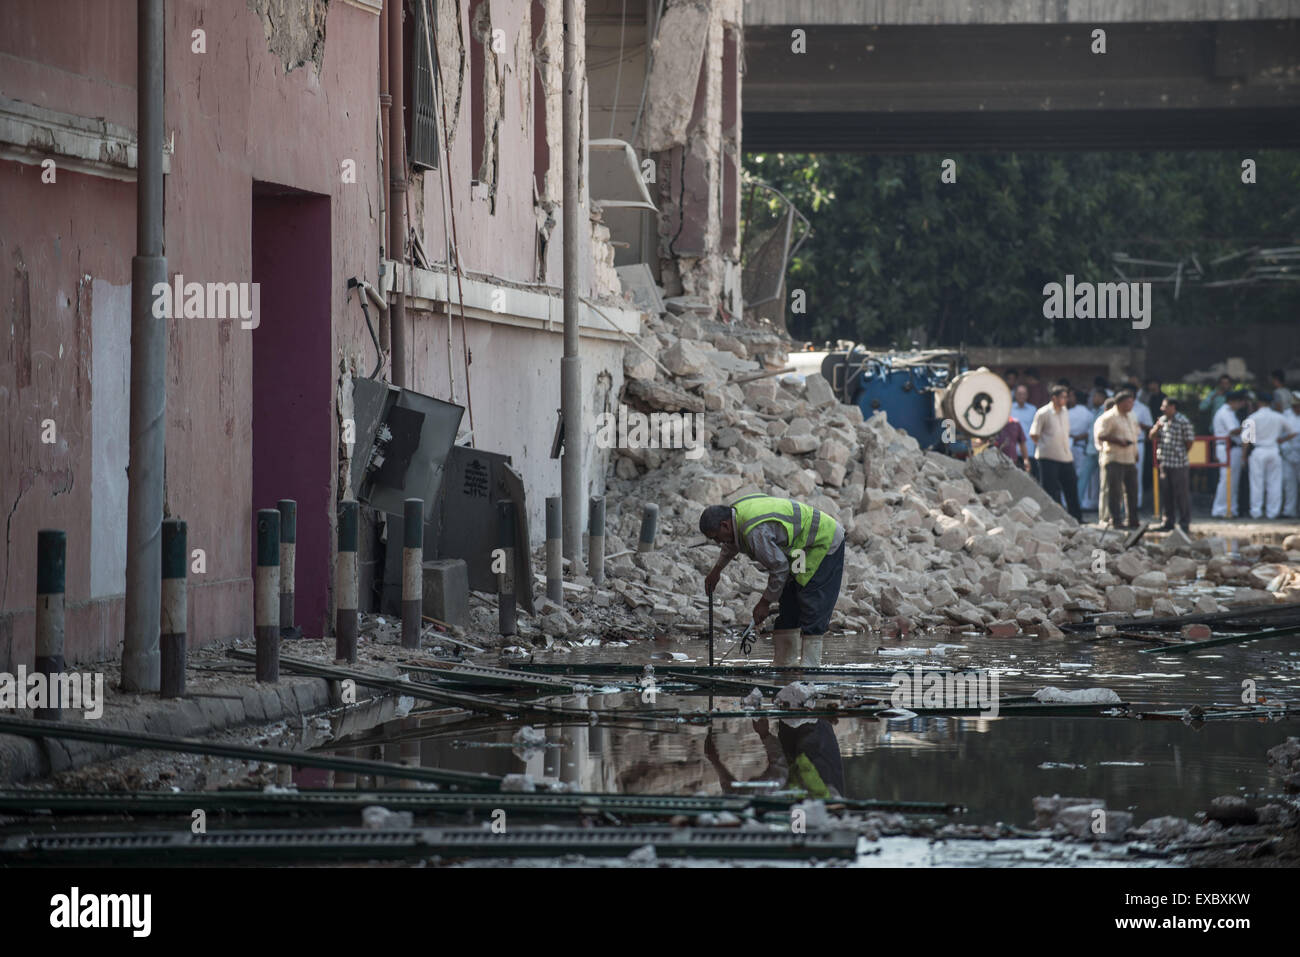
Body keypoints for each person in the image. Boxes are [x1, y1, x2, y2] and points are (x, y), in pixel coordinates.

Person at [700, 495, 845, 668]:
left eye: (716, 537)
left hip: (823, 541)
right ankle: (784, 665)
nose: (718, 542)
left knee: (812, 601)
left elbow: (779, 568)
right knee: (789, 600)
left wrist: (764, 603)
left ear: (725, 524)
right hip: (800, 547)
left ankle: (810, 668)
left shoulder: (754, 531)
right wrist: (716, 571)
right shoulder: (735, 515)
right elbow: (732, 543)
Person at [1030, 384, 1082, 521]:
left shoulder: (1065, 411)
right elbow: (1034, 434)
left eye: (1066, 397)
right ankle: (1050, 519)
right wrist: (1046, 444)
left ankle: (1076, 518)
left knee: (1071, 488)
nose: (1065, 400)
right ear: (1054, 398)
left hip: (1065, 456)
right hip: (1048, 457)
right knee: (1050, 490)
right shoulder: (1043, 412)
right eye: (1063, 397)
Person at [1244, 393, 1297, 520]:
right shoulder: (1278, 417)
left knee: (1257, 483)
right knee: (1274, 483)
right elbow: (1293, 432)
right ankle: (1272, 512)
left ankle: (1256, 512)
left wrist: (1243, 456)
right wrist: (1281, 440)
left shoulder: (1252, 418)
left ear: (1259, 403)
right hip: (1273, 450)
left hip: (1258, 451)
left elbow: (1246, 440)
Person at [1149, 396, 1196, 533]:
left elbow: (1189, 442)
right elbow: (1151, 437)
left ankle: (1184, 523)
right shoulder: (1162, 420)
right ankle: (1168, 522)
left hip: (1179, 464)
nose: (1162, 409)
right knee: (1166, 494)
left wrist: (1180, 453)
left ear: (1172, 407)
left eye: (1165, 406)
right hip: (1164, 462)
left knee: (1181, 494)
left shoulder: (1183, 421)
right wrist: (1157, 427)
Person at [1096, 390, 1141, 528]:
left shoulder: (1132, 416)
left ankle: (1132, 519)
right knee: (1114, 491)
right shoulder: (1109, 417)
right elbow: (1101, 436)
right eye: (1128, 402)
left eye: (1132, 402)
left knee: (1132, 490)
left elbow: (1135, 435)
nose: (1131, 405)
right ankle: (1115, 519)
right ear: (1120, 403)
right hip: (1114, 457)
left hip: (1129, 458)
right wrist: (1118, 440)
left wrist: (1136, 452)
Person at [1211, 391, 1249, 518]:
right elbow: (1233, 431)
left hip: (1232, 448)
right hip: (1228, 448)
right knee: (1227, 480)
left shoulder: (1230, 413)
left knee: (1232, 481)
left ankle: (1230, 509)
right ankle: (1220, 509)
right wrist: (1249, 426)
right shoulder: (1225, 412)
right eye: (1241, 402)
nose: (1241, 405)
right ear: (1234, 401)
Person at [1067, 389, 1094, 506]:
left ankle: (1074, 502)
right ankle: (1076, 502)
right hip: (1074, 446)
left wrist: (1075, 437)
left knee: (1075, 475)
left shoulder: (1082, 413)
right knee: (1075, 475)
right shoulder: (1089, 414)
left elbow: (1090, 431)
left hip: (1075, 446)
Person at [1093, 396, 1117, 525]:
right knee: (1106, 488)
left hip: (1118, 457)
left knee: (1116, 488)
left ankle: (1114, 515)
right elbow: (1100, 440)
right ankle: (1104, 517)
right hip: (1106, 455)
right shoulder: (1102, 420)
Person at [1010, 385, 1038, 478]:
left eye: (1024, 394)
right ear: (1015, 395)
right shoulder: (1009, 408)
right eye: (1019, 394)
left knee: (1030, 479)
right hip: (1013, 451)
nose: (1021, 396)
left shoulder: (1033, 409)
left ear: (1027, 395)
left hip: (1029, 450)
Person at [1282, 395, 1300, 519]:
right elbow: (1280, 435)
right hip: (1288, 453)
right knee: (1289, 483)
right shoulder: (1286, 415)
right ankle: (1289, 510)